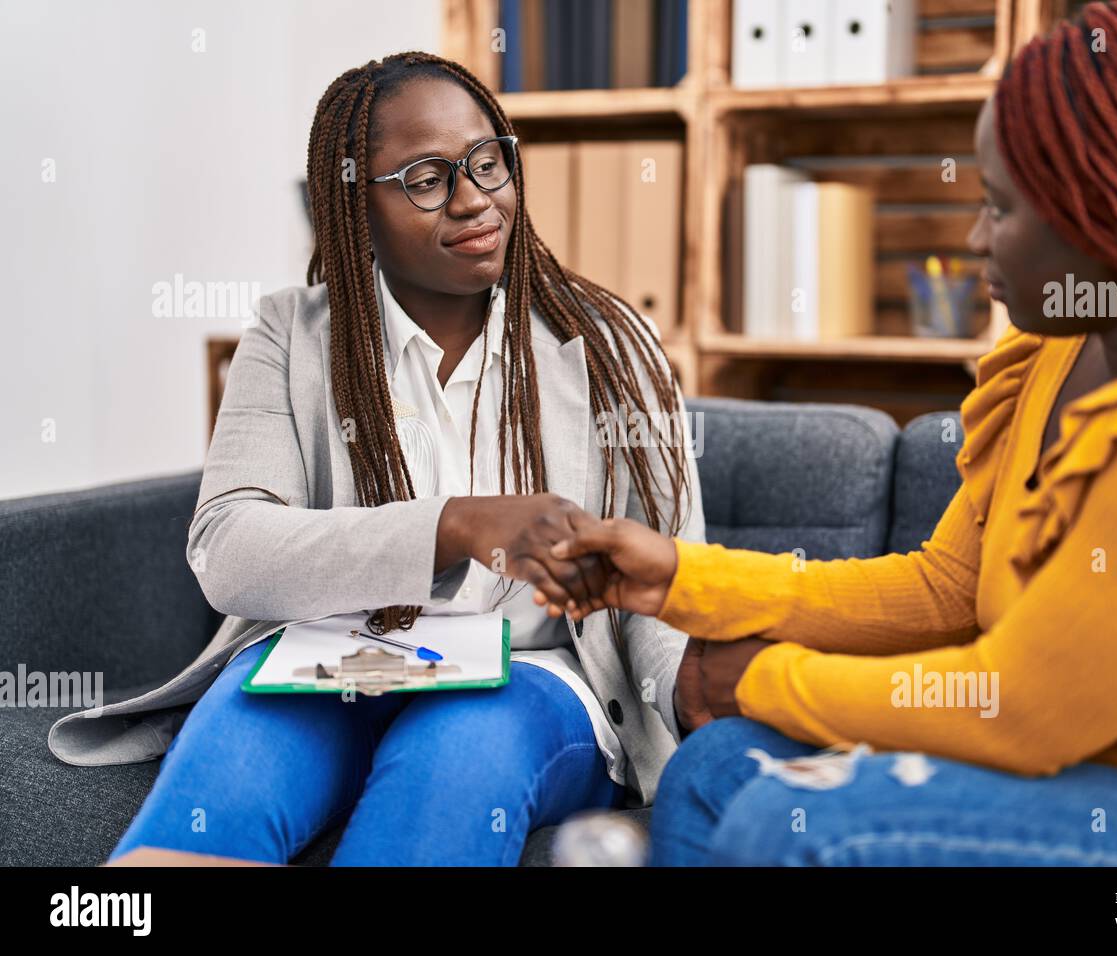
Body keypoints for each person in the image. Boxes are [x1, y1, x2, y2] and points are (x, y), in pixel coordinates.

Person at [539, 2, 1117, 866]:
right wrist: (680, 576)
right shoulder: (1061, 349)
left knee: (800, 827)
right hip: (1066, 769)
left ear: (1111, 215)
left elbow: (1019, 709)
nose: (976, 238)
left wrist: (756, 680)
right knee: (714, 770)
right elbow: (944, 591)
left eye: (999, 208)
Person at [99, 51, 705, 866]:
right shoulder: (291, 338)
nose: (474, 199)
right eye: (427, 179)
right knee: (223, 784)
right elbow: (229, 548)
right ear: (352, 205)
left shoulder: (610, 346)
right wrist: (453, 527)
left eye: (488, 163)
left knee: (459, 747)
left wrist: (691, 692)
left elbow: (662, 582)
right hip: (331, 662)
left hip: (531, 674)